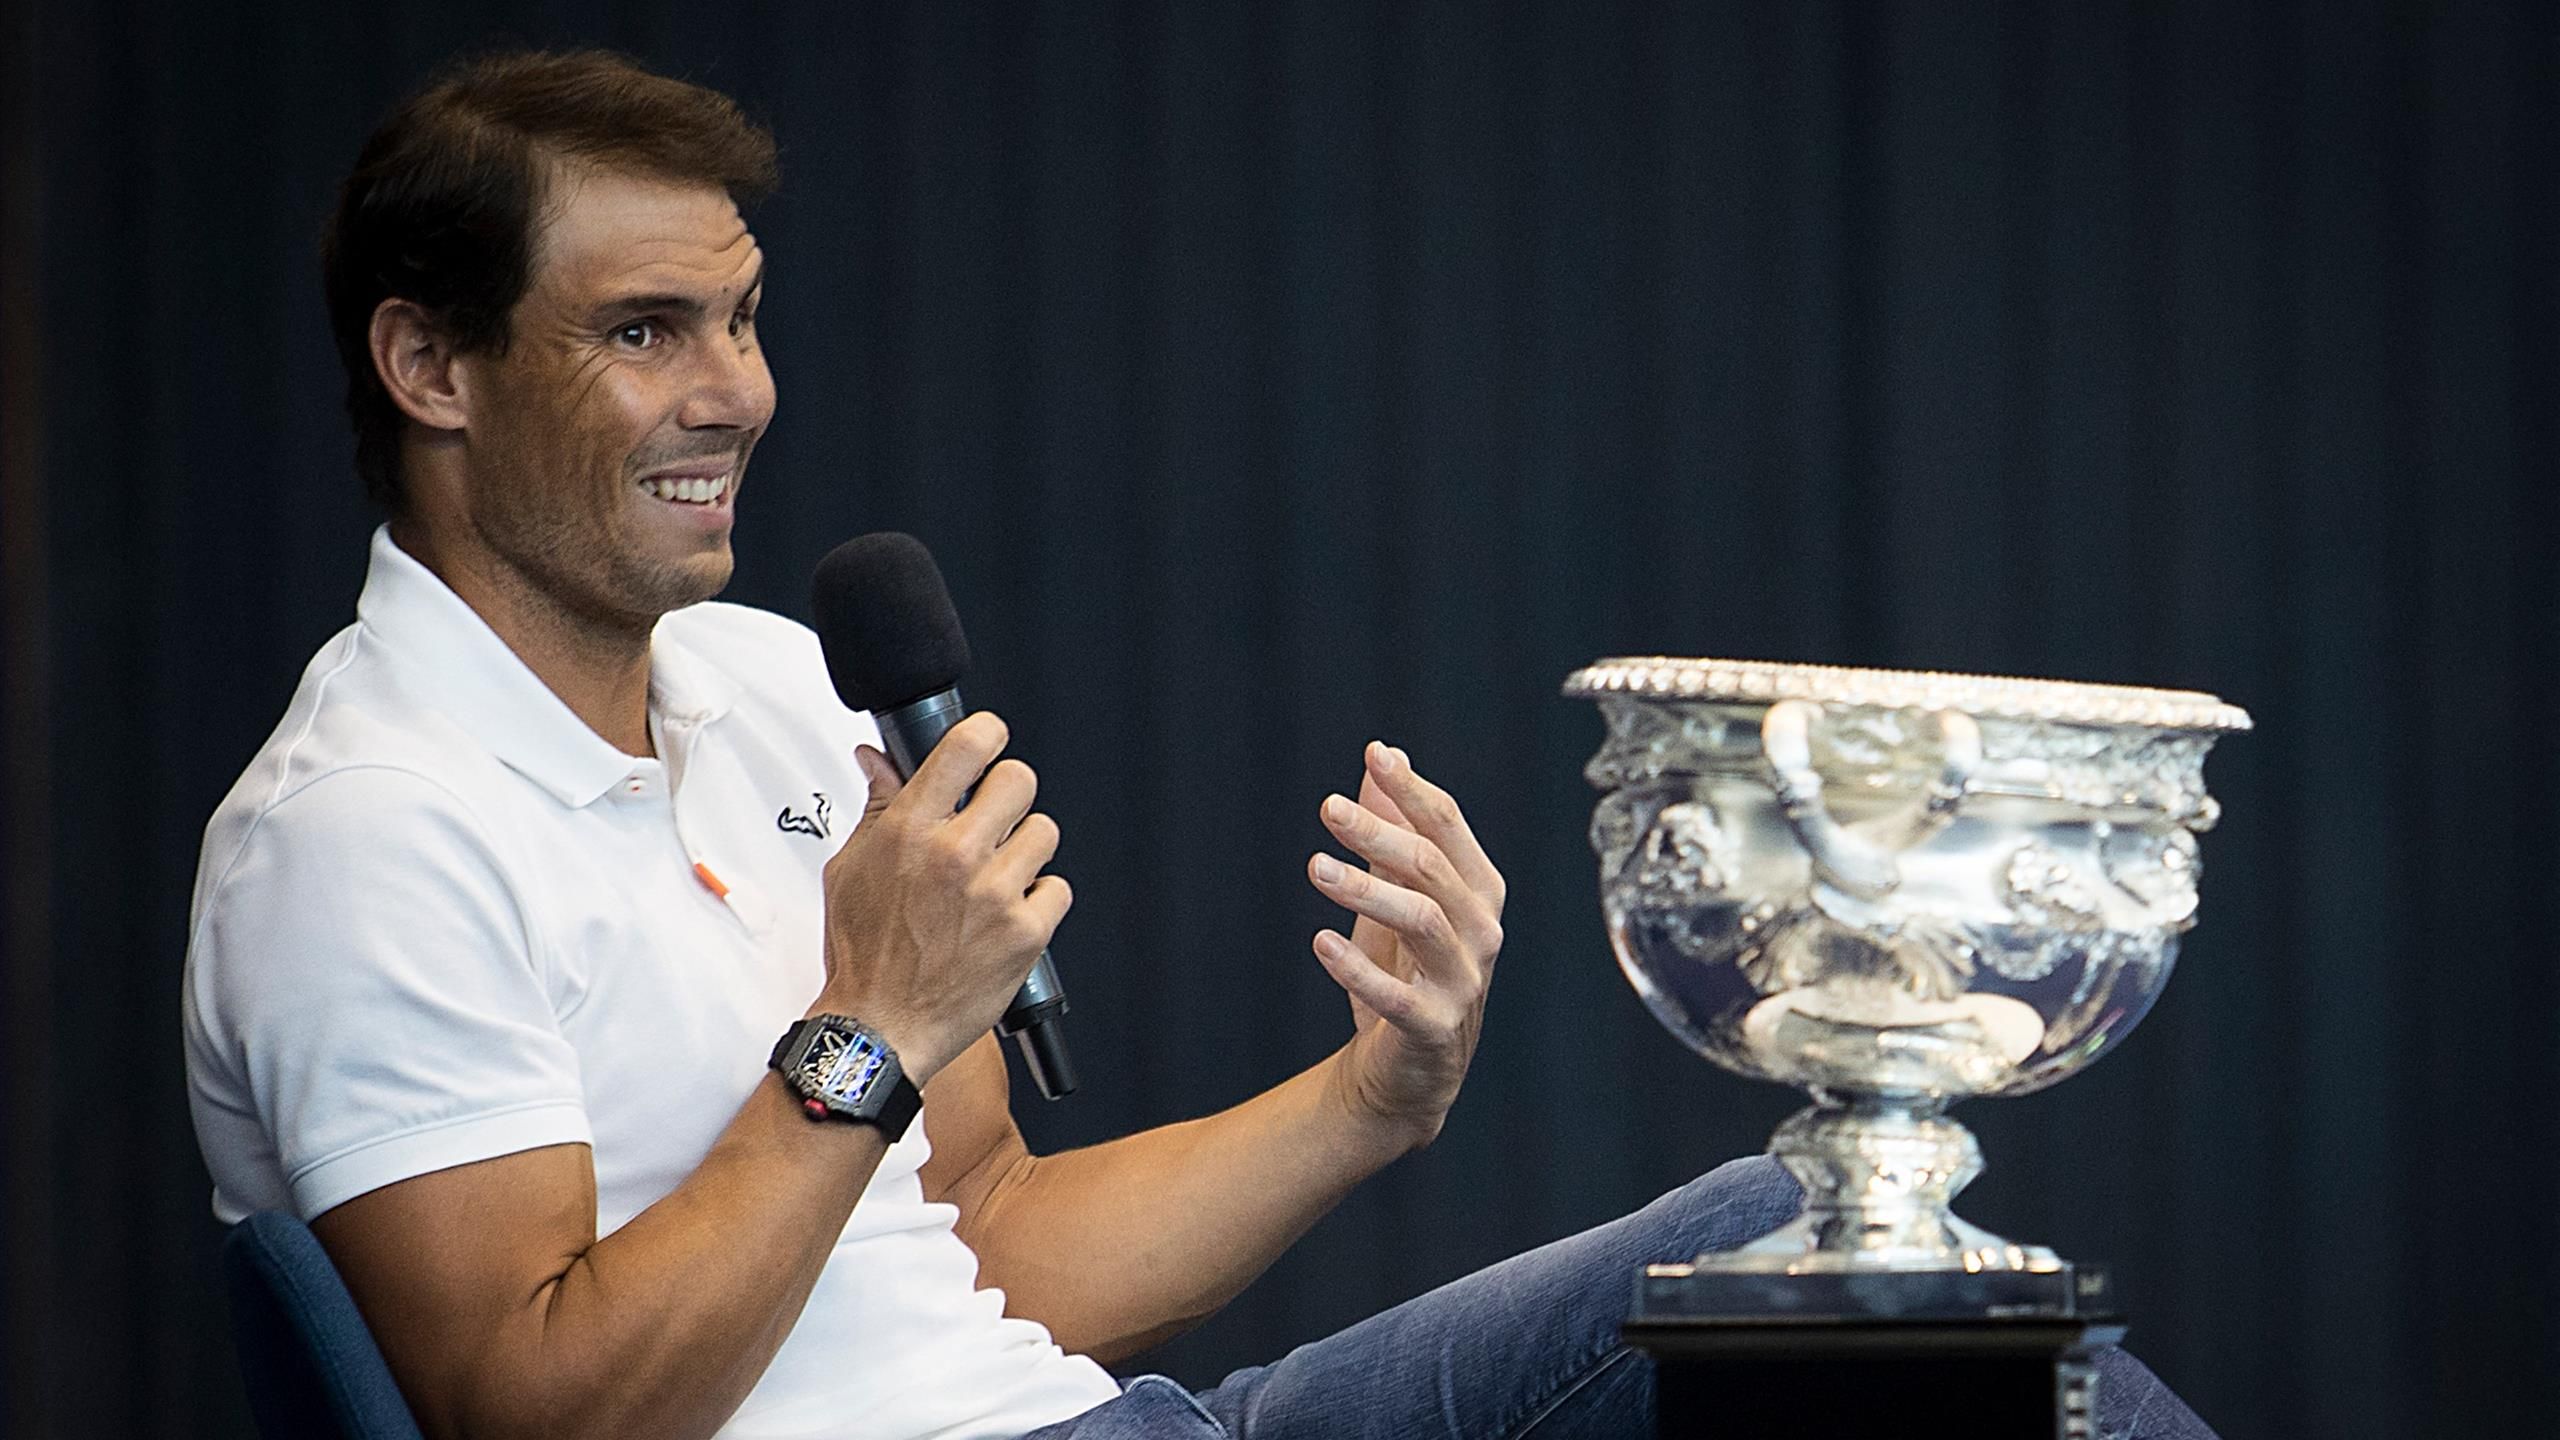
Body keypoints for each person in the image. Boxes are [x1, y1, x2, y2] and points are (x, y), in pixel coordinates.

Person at [182, 50, 2215, 1440]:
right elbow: (533, 1411)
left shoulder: (774, 684)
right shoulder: (361, 831)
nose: (738, 391)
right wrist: (868, 1026)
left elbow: (994, 1257)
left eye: (743, 315)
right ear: (429, 364)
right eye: (643, 333)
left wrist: (1369, 1096)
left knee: (1850, 1270)